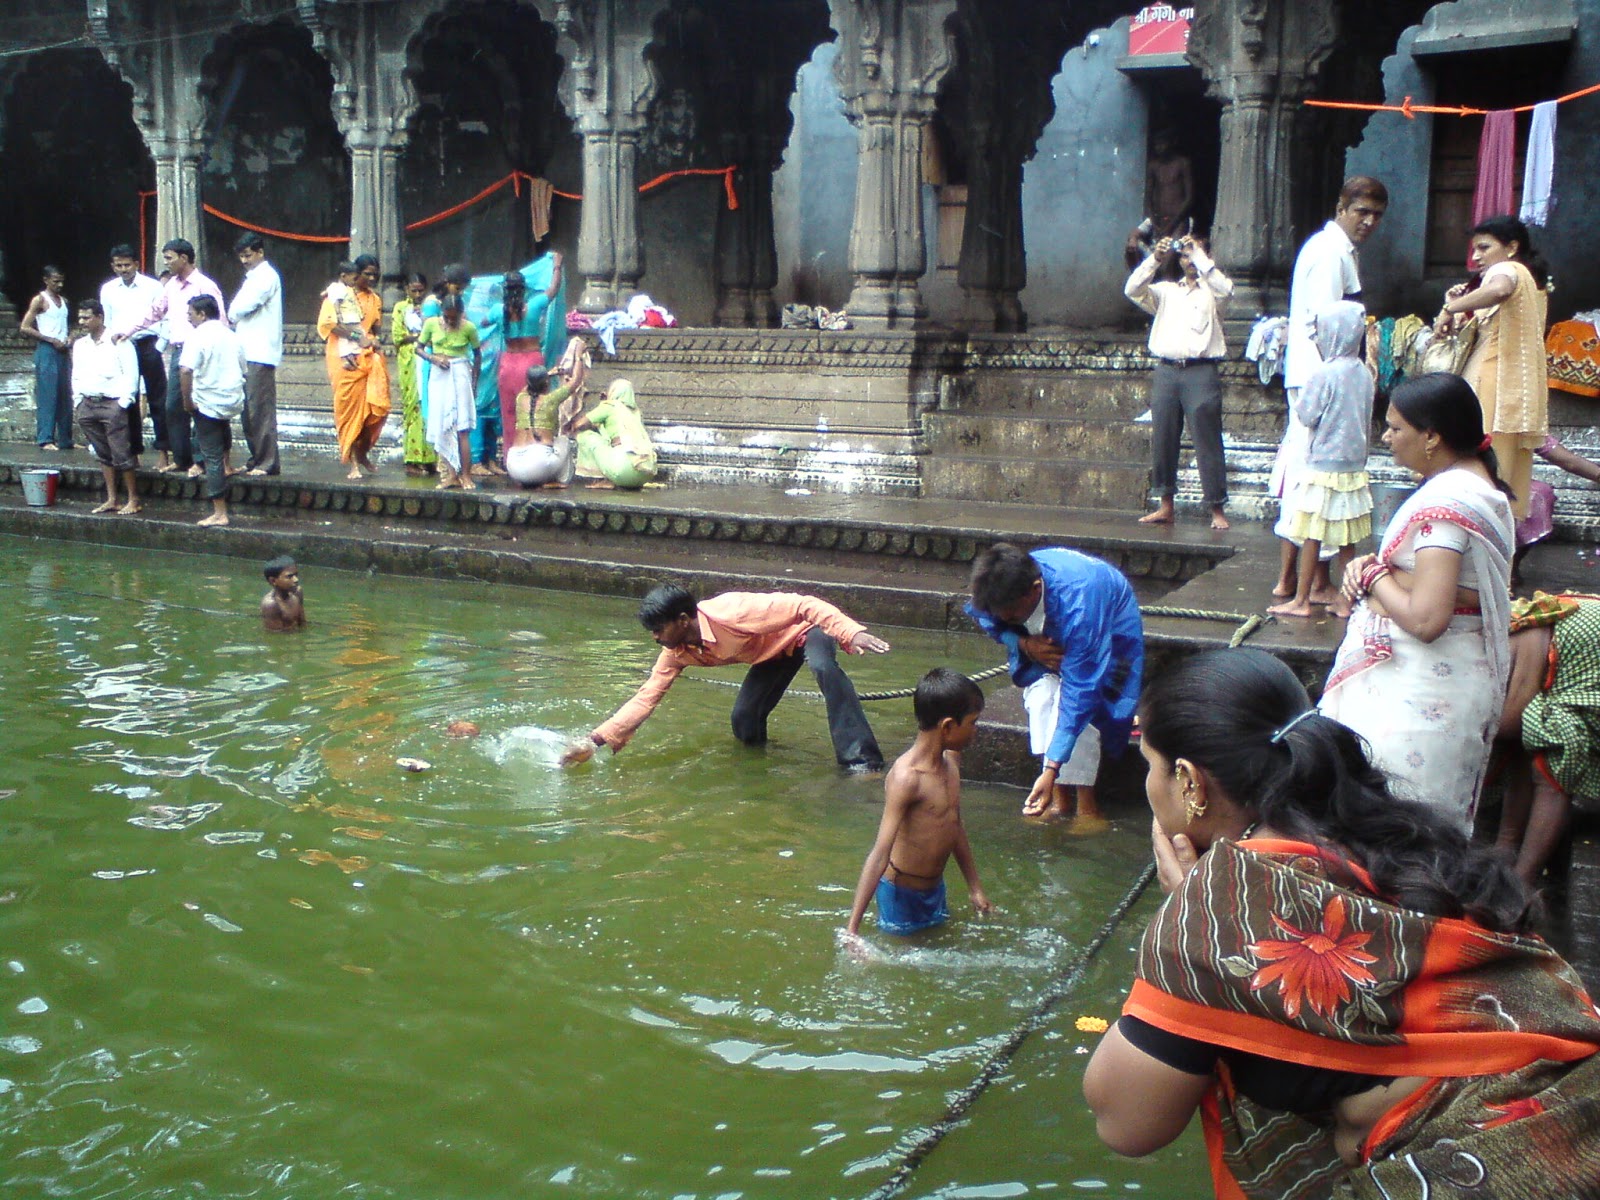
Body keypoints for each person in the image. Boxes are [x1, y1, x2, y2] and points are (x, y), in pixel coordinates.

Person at [1084, 647, 1600, 1200]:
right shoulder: (1402, 839)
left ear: (1188, 781)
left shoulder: (1221, 909)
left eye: (1150, 767)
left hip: (1498, 1171)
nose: (1149, 785)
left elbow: (1126, 1122)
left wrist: (1194, 919)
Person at [1320, 373, 1514, 829]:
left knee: (1399, 831)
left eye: (1396, 427)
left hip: (1421, 695)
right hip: (1449, 686)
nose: (1386, 438)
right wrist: (1388, 578)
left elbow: (1427, 618)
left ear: (1432, 436)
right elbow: (1463, 592)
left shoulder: (1445, 507)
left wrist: (1371, 574)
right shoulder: (1483, 489)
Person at [560, 585, 890, 772]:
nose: (655, 638)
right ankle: (757, 766)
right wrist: (594, 742)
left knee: (823, 667)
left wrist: (851, 632)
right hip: (772, 654)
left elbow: (805, 605)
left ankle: (862, 762)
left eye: (659, 630)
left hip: (804, 632)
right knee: (744, 719)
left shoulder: (733, 611)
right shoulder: (676, 653)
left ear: (684, 619)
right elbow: (645, 699)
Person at [965, 543, 1143, 825]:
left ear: (1035, 590)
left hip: (1107, 627)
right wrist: (1022, 642)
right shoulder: (997, 592)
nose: (1005, 620)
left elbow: (1079, 693)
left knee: (1079, 704)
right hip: (1040, 638)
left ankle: (1087, 806)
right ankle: (1059, 799)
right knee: (1042, 697)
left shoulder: (1081, 605)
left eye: (1011, 617)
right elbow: (988, 621)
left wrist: (1050, 768)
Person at [1274, 176, 1387, 602]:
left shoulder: (1340, 251)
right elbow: (1325, 324)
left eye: (1377, 215)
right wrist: (1340, 383)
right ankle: (1291, 582)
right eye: (1362, 211)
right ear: (1342, 208)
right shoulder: (1327, 253)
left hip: (1323, 377)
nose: (1369, 221)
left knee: (1318, 479)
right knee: (1309, 480)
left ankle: (1317, 581)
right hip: (1318, 379)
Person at [843, 668, 992, 940]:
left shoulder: (952, 762)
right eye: (973, 722)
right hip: (901, 896)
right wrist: (852, 931)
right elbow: (880, 853)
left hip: (935, 890)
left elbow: (954, 824)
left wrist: (975, 887)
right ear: (947, 726)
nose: (976, 731)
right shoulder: (907, 778)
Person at [1435, 214, 1550, 521]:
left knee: (1480, 481)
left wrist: (1450, 308)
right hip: (1514, 397)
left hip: (1492, 390)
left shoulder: (1508, 269)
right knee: (1506, 484)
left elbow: (1499, 288)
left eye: (1484, 248)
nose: (1476, 257)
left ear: (1511, 247)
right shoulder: (1532, 281)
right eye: (1474, 249)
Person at [1268, 301, 1374, 619]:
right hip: (1354, 465)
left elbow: (1307, 415)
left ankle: (1301, 599)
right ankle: (1347, 598)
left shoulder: (1325, 373)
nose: (1318, 340)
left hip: (1324, 463)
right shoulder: (1364, 373)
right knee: (1347, 537)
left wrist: (1299, 401)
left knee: (1311, 533)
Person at [1124, 233, 1232, 530]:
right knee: (1164, 437)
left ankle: (1216, 508)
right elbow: (1132, 288)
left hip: (1201, 370)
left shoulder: (1213, 294)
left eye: (1194, 255)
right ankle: (1165, 504)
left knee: (1207, 439)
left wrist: (1197, 253)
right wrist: (1156, 258)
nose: (1189, 261)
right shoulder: (1166, 292)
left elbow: (1226, 288)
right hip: (1167, 370)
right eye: (1184, 256)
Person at [1494, 593, 1600, 885]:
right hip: (1563, 646)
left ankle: (1523, 878)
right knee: (1525, 743)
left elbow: (1508, 724)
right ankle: (1506, 850)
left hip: (1578, 657)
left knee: (1549, 765)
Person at [115, 238, 226, 476]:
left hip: (203, 351)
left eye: (169, 258)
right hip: (178, 351)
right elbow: (154, 312)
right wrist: (129, 330)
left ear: (184, 258)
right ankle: (182, 457)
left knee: (200, 405)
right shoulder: (171, 286)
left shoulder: (205, 285)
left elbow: (221, 321)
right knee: (173, 406)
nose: (166, 263)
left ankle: (201, 459)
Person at [316, 253, 390, 481]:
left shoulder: (375, 299)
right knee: (350, 410)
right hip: (343, 358)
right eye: (366, 274)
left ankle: (363, 451)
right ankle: (353, 463)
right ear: (354, 275)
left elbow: (375, 330)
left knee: (376, 409)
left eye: (374, 275)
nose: (371, 278)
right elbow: (328, 324)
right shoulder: (336, 295)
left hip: (368, 356)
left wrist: (374, 342)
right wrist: (358, 337)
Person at [178, 294, 247, 528]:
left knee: (211, 457)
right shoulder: (232, 335)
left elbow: (185, 370)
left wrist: (187, 401)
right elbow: (243, 369)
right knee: (223, 429)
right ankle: (227, 466)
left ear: (202, 314)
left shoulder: (197, 337)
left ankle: (219, 512)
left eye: (190, 314)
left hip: (207, 401)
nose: (188, 319)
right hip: (231, 400)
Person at [69, 298, 140, 514]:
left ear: (99, 317)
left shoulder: (119, 341)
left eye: (87, 317)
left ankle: (133, 499)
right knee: (102, 453)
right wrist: (77, 400)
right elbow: (76, 374)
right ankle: (112, 498)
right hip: (88, 402)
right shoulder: (80, 344)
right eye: (80, 317)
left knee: (121, 452)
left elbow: (131, 374)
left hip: (113, 403)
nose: (82, 322)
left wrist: (124, 402)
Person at [101, 245, 165, 461]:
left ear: (137, 264)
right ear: (113, 266)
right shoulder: (108, 290)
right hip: (123, 346)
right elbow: (108, 323)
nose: (123, 269)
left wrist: (160, 346)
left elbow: (163, 318)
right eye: (118, 265)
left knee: (157, 398)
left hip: (148, 343)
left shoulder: (153, 287)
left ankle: (164, 452)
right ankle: (134, 451)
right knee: (128, 398)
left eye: (127, 265)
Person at [227, 232, 283, 476]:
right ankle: (256, 458)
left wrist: (230, 315)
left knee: (259, 409)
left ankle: (267, 461)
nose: (244, 260)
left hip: (260, 351)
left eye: (248, 255)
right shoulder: (253, 277)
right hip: (247, 350)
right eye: (241, 256)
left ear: (260, 252)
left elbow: (241, 307)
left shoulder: (266, 276)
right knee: (248, 410)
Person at [495, 253, 564, 450]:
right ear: (524, 289)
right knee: (536, 409)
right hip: (531, 363)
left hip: (508, 363)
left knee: (510, 414)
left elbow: (483, 322)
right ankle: (536, 450)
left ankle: (513, 458)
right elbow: (553, 289)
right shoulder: (534, 306)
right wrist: (556, 266)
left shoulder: (498, 311)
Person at [419, 292, 481, 490]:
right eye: (446, 317)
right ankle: (451, 475)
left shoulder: (469, 328)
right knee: (442, 425)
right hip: (439, 374)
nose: (450, 321)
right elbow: (418, 348)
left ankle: (466, 475)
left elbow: (477, 355)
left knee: (462, 427)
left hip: (461, 373)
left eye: (454, 317)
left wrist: (474, 382)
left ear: (462, 314)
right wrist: (433, 359)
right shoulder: (430, 324)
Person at [505, 345, 589, 488]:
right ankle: (558, 482)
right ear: (546, 383)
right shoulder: (551, 399)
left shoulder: (521, 398)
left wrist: (548, 374)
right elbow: (576, 381)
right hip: (538, 467)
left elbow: (530, 385)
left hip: (513, 466)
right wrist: (579, 355)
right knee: (564, 441)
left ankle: (526, 481)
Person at [19, 265, 73, 451]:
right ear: (46, 280)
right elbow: (25, 326)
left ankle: (66, 439)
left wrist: (69, 338)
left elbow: (66, 325)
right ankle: (45, 438)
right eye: (55, 281)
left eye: (61, 281)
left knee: (65, 394)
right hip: (47, 349)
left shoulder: (64, 300)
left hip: (63, 350)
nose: (59, 284)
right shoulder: (40, 299)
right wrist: (49, 339)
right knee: (47, 394)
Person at [572, 378, 660, 490]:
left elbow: (579, 425)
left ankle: (604, 479)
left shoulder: (610, 406)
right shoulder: (636, 412)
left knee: (585, 435)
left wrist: (602, 405)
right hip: (645, 474)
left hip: (622, 472)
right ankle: (611, 478)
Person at [390, 273, 436, 476]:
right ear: (407, 289)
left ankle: (430, 458)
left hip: (428, 359)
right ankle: (412, 459)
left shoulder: (431, 306)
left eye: (421, 290)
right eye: (413, 290)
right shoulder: (401, 308)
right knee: (413, 407)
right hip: (409, 361)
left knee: (429, 405)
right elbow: (397, 336)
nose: (417, 294)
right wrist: (419, 336)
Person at [322, 262, 363, 371]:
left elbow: (326, 292)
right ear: (343, 276)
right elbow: (336, 303)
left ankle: (350, 358)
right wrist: (339, 315)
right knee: (356, 337)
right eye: (354, 279)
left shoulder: (343, 288)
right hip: (348, 319)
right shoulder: (339, 289)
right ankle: (347, 358)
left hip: (352, 317)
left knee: (349, 340)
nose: (355, 282)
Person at [260, 555, 306, 632]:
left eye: (296, 575)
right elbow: (276, 637)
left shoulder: (297, 592)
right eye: (289, 576)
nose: (296, 579)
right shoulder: (271, 605)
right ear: (273, 581)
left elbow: (302, 623)